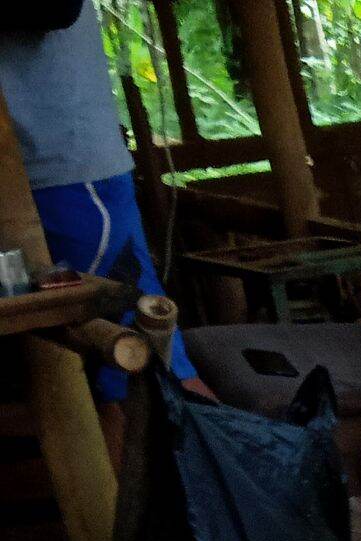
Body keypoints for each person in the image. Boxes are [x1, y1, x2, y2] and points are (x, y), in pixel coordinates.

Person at [0, 0, 199, 399]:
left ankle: (210, 447)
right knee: (47, 351)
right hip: (17, 177)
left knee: (133, 348)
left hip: (68, 172)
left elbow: (56, 9)